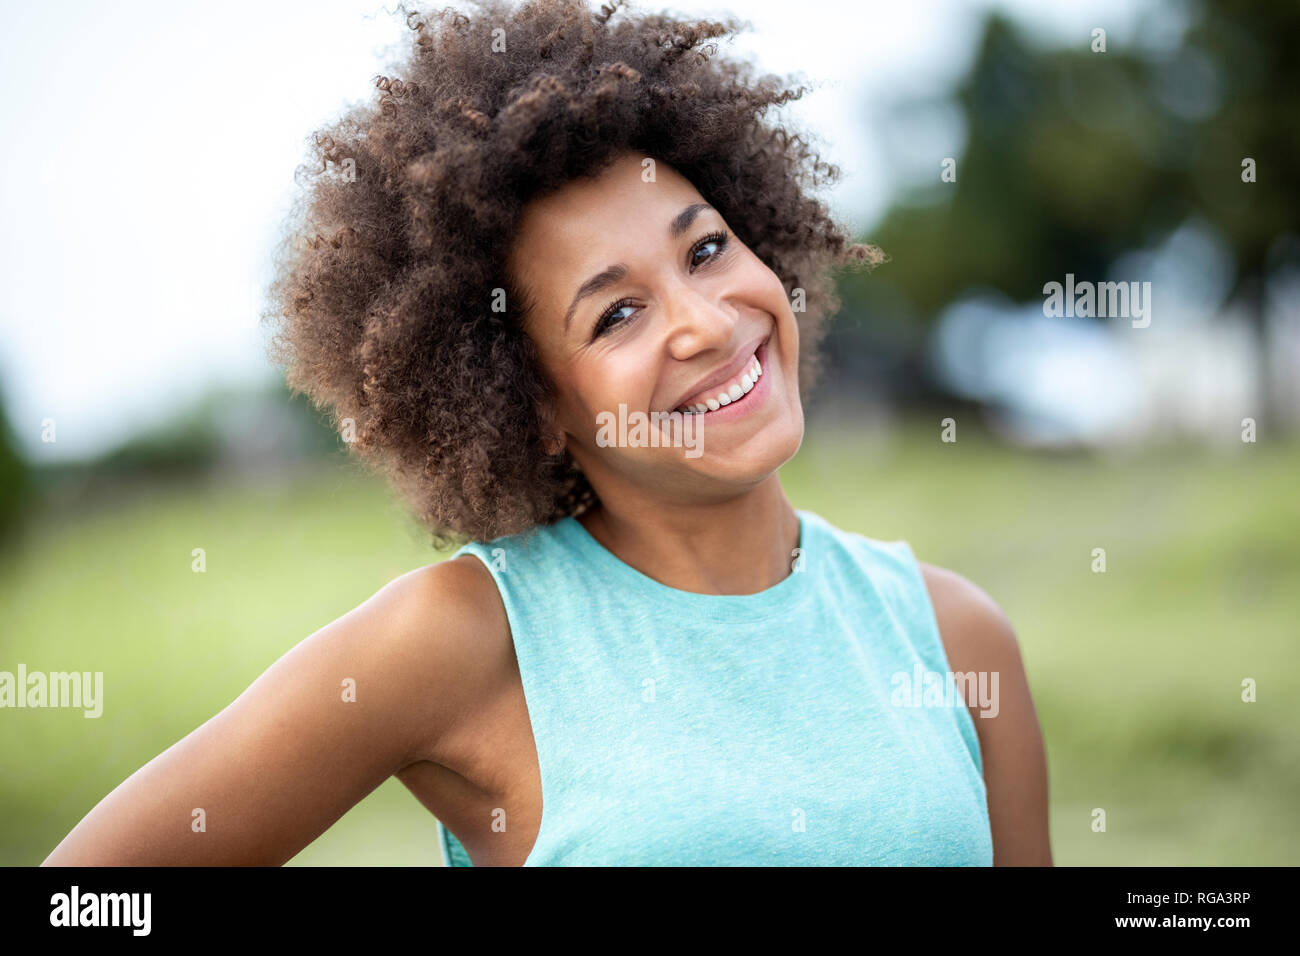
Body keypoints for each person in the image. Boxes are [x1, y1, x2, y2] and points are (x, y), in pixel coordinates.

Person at [42, 0, 1050, 867]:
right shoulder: (468, 637)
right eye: (615, 314)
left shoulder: (954, 635)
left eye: (704, 249)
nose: (703, 321)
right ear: (529, 404)